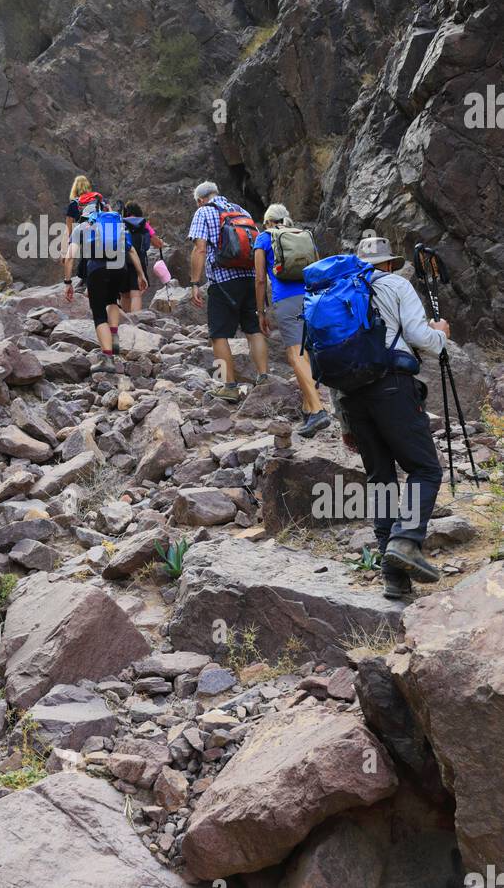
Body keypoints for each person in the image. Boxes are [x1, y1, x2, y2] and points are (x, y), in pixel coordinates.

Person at [336, 232, 449, 599]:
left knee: (382, 478)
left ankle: (393, 577)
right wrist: (441, 336)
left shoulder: (337, 291)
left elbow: (330, 362)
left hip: (352, 397)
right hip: (392, 388)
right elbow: (419, 336)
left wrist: (345, 421)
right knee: (425, 470)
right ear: (388, 263)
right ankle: (405, 541)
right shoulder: (396, 285)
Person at [254, 204, 330, 437]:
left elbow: (259, 279)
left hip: (286, 301)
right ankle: (308, 408)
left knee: (295, 353)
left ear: (267, 222)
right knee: (306, 352)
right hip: (312, 298)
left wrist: (261, 312)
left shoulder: (263, 239)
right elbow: (318, 267)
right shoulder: (303, 235)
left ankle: (318, 410)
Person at [188, 180, 268, 402]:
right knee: (253, 329)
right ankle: (264, 378)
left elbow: (200, 247)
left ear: (200, 200)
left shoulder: (204, 211)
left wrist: (194, 282)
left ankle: (229, 386)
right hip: (250, 277)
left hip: (223, 281)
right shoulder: (241, 210)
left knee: (218, 334)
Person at [63, 202, 147, 372]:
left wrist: (67, 282)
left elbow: (69, 257)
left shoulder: (82, 228)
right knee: (112, 300)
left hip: (97, 269)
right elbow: (131, 251)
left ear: (85, 216)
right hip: (120, 268)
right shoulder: (117, 226)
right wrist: (141, 274)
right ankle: (114, 334)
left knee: (99, 313)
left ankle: (107, 359)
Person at [119, 201, 164, 315]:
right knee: (136, 293)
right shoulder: (143, 224)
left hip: (121, 262)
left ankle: (125, 322)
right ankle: (135, 323)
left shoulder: (120, 223)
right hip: (139, 261)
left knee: (124, 294)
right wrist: (161, 242)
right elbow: (157, 243)